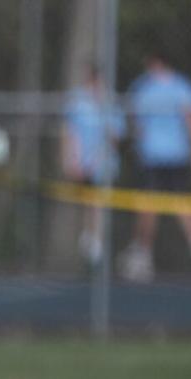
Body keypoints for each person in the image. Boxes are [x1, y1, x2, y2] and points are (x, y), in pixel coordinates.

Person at [117, 51, 191, 281]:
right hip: (174, 154)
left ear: (153, 62)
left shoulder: (144, 87)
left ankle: (144, 254)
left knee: (150, 204)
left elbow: (136, 124)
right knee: (179, 202)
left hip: (154, 155)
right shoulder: (181, 85)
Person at [60, 64, 124, 267]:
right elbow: (69, 132)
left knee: (98, 201)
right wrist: (72, 159)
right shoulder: (77, 100)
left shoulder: (110, 102)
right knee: (86, 201)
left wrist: (99, 156)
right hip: (81, 162)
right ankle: (88, 238)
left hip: (103, 163)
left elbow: (115, 137)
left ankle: (97, 242)